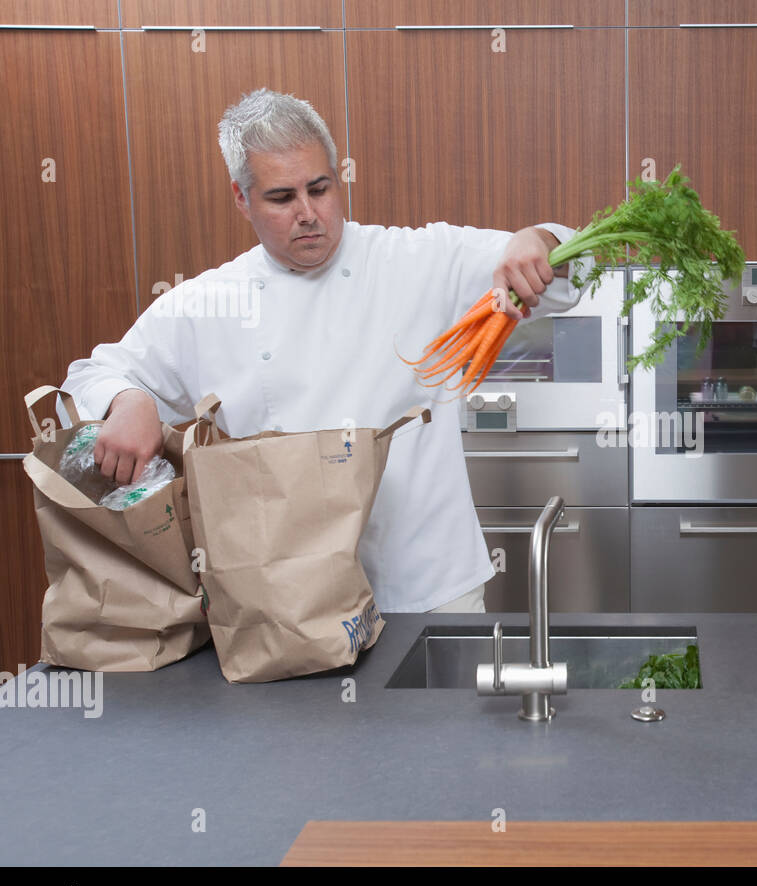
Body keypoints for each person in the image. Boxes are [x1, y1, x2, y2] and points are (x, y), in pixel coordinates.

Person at [61, 88, 589, 614]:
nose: (309, 213)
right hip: (287, 609)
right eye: (282, 198)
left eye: (321, 188)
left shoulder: (418, 259)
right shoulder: (209, 301)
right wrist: (129, 400)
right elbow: (94, 372)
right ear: (242, 199)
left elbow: (570, 270)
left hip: (425, 586)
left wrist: (536, 239)